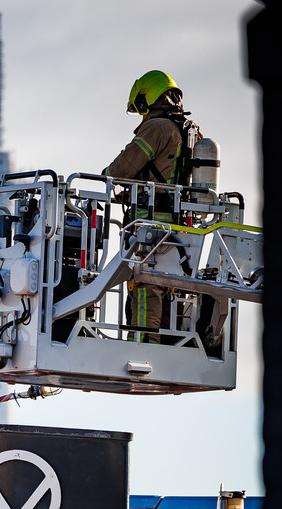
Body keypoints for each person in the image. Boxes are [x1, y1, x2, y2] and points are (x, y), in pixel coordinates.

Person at [104, 70, 191, 343]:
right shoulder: (189, 130)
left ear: (148, 99)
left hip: (150, 221)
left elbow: (123, 167)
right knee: (168, 285)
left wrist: (106, 174)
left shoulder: (157, 128)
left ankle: (142, 345)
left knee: (145, 283)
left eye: (140, 109)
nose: (141, 116)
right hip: (179, 224)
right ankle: (165, 343)